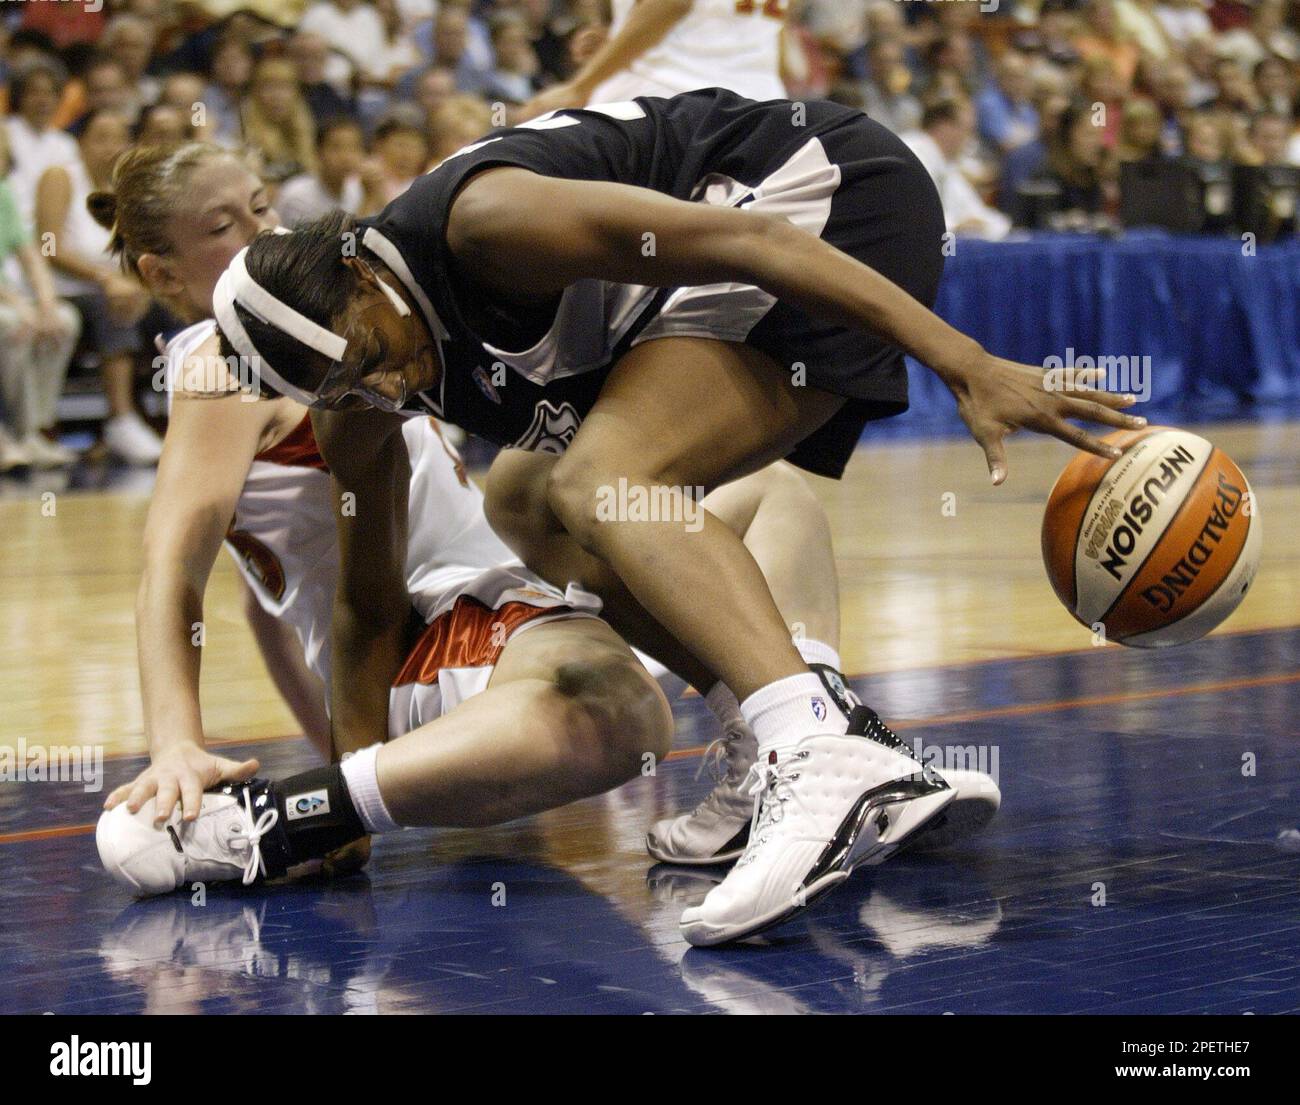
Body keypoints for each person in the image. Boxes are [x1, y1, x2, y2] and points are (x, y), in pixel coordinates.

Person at [208, 90, 1139, 945]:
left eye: (370, 354)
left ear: (356, 270)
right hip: (722, 266)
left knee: (595, 483)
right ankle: (793, 734)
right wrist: (347, 805)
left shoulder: (487, 227)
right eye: (344, 385)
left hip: (823, 197)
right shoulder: (356, 399)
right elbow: (368, 607)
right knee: (525, 497)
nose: (384, 385)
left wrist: (966, 362)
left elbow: (759, 247)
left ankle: (813, 746)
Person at [35, 109, 159, 464]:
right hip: (65, 291)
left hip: (118, 290)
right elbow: (49, 246)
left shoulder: (128, 188)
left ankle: (176, 419)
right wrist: (107, 280)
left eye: (120, 137)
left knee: (175, 310)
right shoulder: (61, 177)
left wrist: (136, 285)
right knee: (113, 309)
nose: (111, 147)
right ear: (80, 142)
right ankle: (120, 420)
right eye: (101, 137)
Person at [523, 0, 786, 119]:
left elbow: (670, 4)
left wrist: (578, 88)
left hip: (667, 100)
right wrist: (619, 42)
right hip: (761, 104)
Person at [0, 123, 81, 470]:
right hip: (6, 302)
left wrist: (46, 303)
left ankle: (34, 430)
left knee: (63, 320)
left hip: (10, 296)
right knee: (11, 323)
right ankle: (11, 431)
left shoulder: (3, 195)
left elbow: (30, 255)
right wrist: (19, 304)